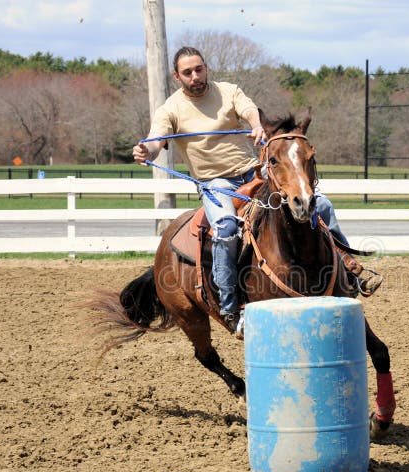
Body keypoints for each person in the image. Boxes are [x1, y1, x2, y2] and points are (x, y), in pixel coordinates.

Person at [134, 47, 379, 335]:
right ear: (177, 76)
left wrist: (255, 125)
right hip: (217, 184)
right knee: (225, 228)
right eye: (187, 72)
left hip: (253, 174)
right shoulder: (171, 109)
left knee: (320, 205)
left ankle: (348, 270)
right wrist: (146, 150)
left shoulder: (228, 91)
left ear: (206, 68)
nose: (195, 76)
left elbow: (249, 110)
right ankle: (231, 307)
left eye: (199, 69)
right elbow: (155, 139)